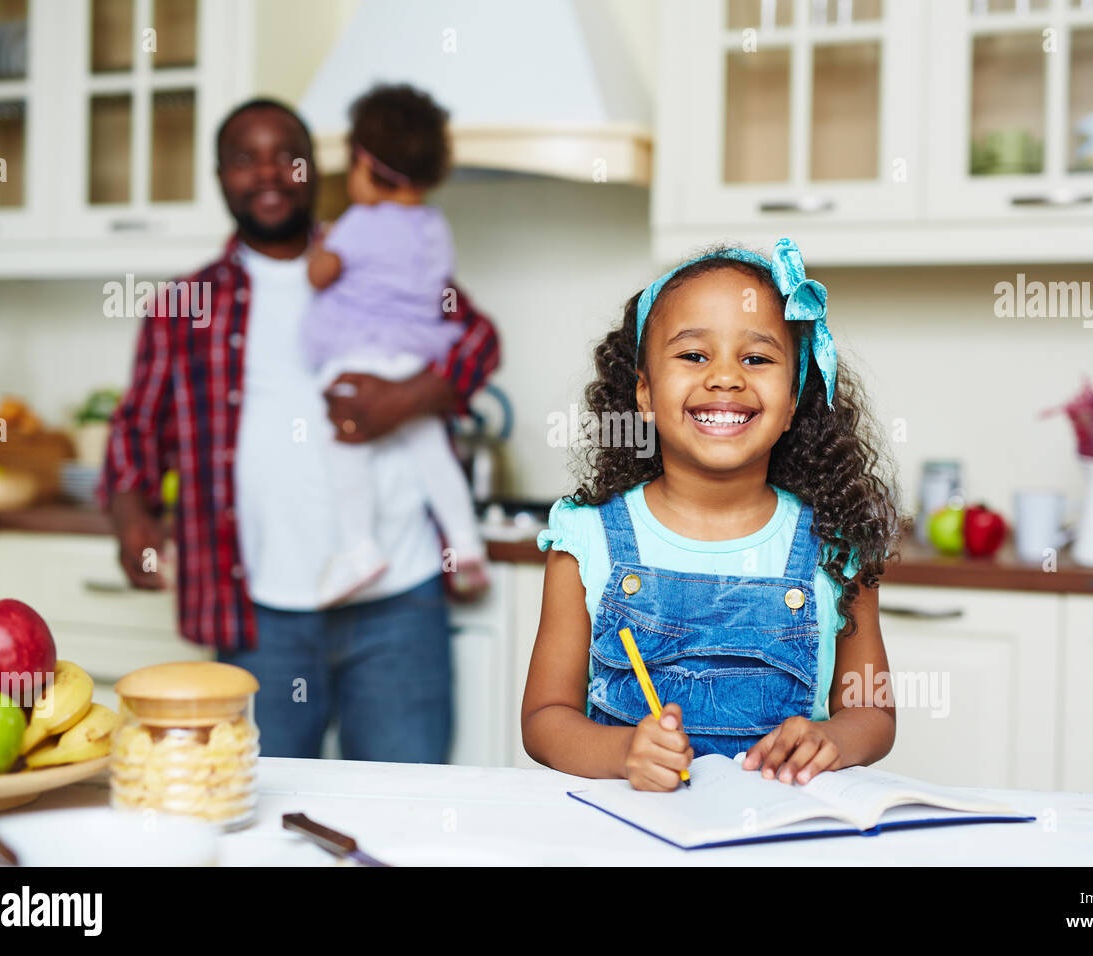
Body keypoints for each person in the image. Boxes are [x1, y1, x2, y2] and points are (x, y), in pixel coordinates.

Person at [99, 98, 500, 762]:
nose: (268, 175)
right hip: (259, 612)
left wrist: (406, 398)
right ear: (219, 176)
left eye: (287, 156)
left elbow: (477, 339)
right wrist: (129, 516)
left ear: (317, 169)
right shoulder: (184, 305)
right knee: (260, 817)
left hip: (398, 601)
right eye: (244, 159)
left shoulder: (372, 254)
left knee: (406, 821)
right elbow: (138, 424)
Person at [521, 239, 900, 791]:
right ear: (644, 394)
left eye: (758, 358)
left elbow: (874, 710)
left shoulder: (835, 545)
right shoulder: (585, 539)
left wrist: (836, 738)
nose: (726, 377)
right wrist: (624, 752)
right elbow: (543, 720)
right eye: (694, 355)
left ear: (793, 398)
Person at [303, 83, 487, 607]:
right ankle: (467, 543)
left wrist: (321, 245)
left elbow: (320, 275)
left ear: (363, 162)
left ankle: (359, 549)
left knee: (345, 445)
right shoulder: (434, 227)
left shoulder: (359, 224)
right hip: (412, 360)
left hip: (356, 355)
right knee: (432, 453)